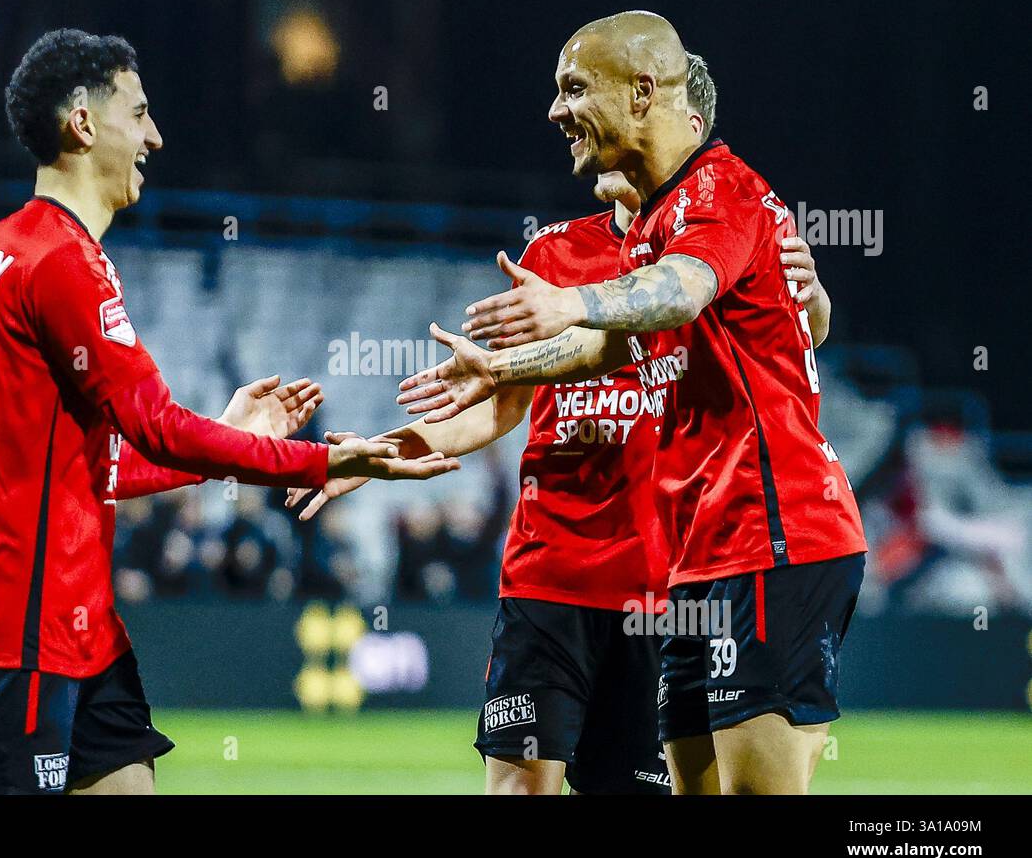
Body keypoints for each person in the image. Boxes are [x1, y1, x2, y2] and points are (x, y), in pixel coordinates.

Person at [0, 29, 459, 796]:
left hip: (74, 622)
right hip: (22, 626)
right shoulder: (62, 263)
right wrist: (317, 460)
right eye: (139, 114)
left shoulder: (14, 244)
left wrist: (232, 437)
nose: (155, 138)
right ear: (83, 124)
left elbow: (98, 464)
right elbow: (157, 427)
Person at [293, 49, 833, 794]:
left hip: (660, 589)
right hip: (548, 580)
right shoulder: (555, 252)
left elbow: (789, 334)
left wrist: (814, 297)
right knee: (520, 786)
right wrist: (381, 452)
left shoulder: (707, 245)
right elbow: (499, 401)